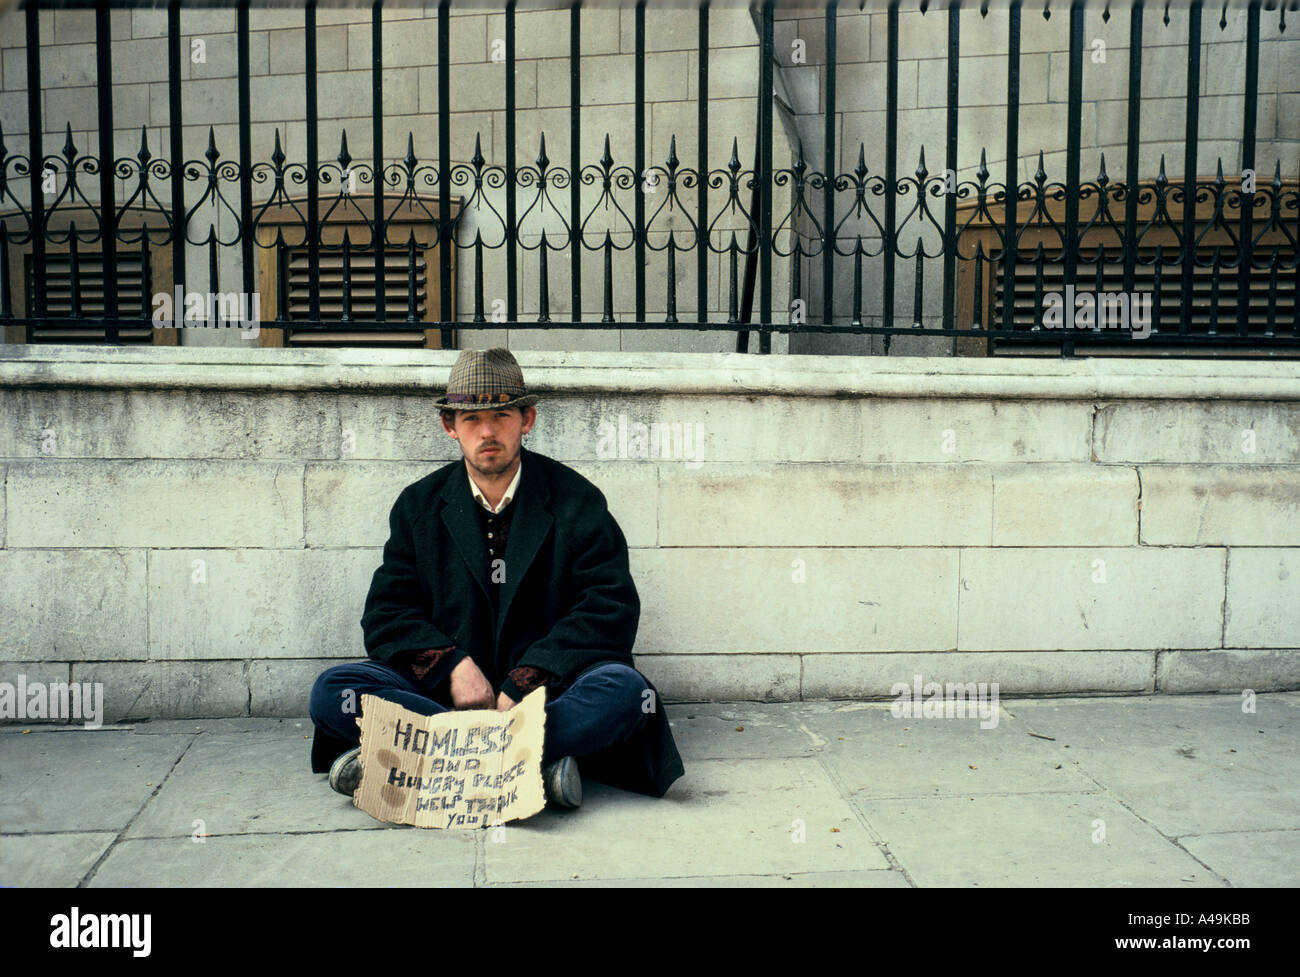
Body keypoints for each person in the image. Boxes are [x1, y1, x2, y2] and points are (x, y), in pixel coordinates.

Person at [308, 347, 684, 810]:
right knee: (333, 692)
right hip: (442, 696)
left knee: (626, 692)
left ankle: (426, 760)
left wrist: (524, 683)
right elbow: (388, 613)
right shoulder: (419, 505)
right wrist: (452, 667)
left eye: (501, 415)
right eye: (470, 419)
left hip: (547, 697)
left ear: (527, 419)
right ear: (450, 426)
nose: (487, 432)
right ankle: (530, 764)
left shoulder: (576, 499)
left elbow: (608, 609)